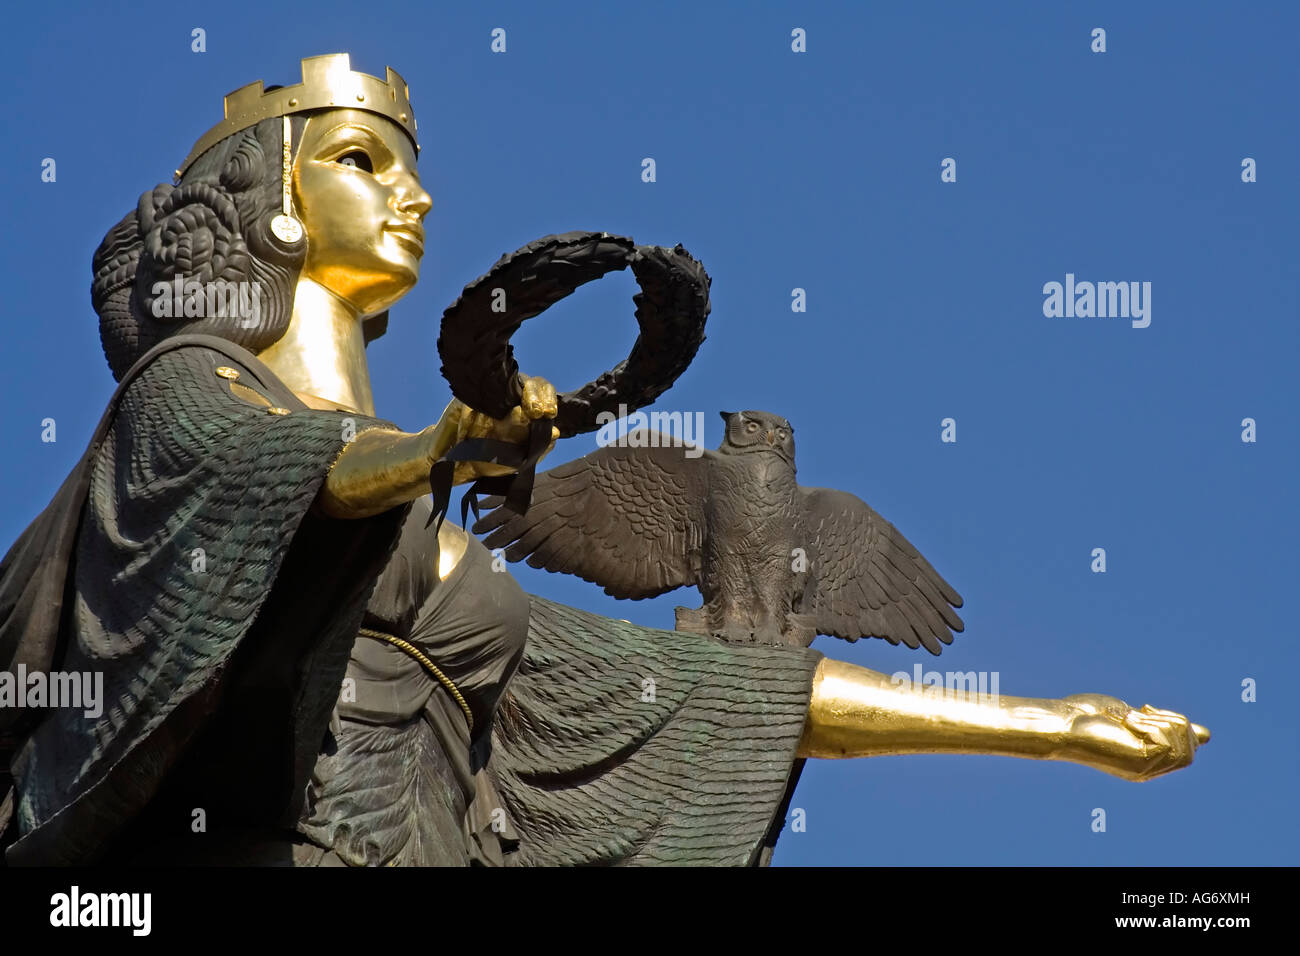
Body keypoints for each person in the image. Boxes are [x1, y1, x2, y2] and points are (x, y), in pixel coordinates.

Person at [0, 55, 1209, 867]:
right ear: (266, 197)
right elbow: (289, 471)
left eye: (409, 161)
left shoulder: (439, 558)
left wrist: (1051, 725)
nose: (412, 193)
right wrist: (445, 441)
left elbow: (727, 699)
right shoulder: (187, 401)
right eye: (361, 161)